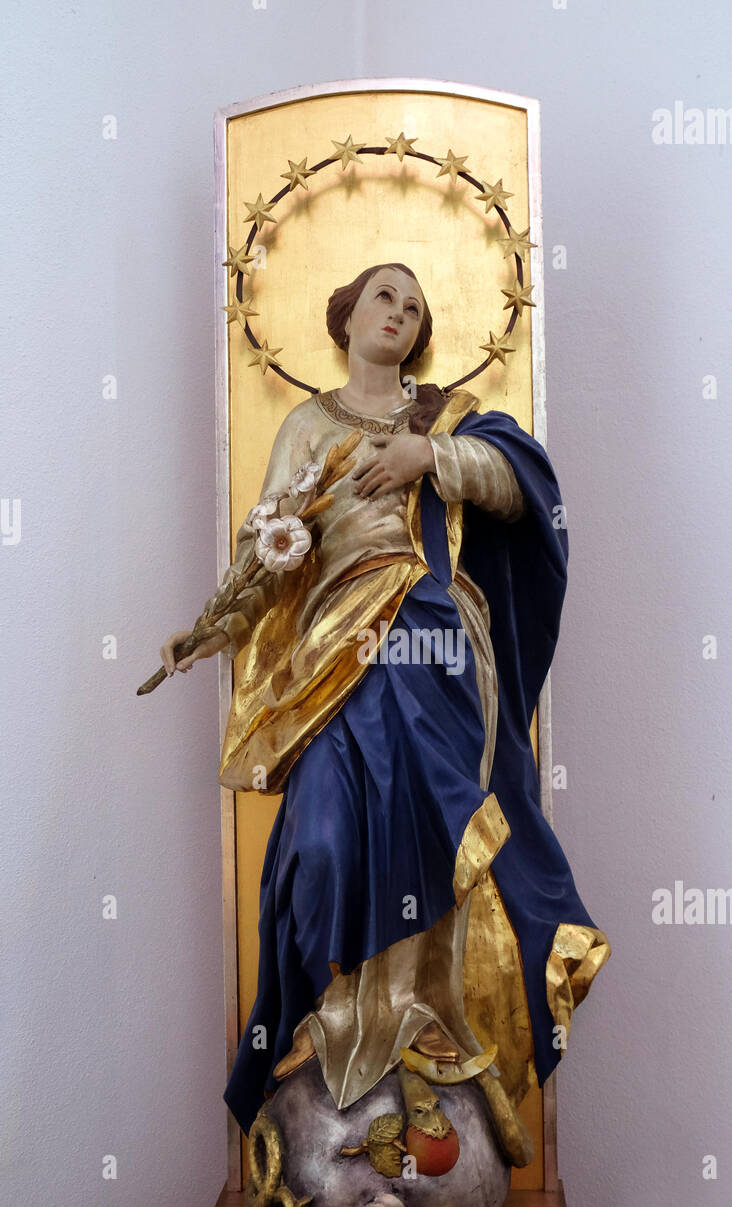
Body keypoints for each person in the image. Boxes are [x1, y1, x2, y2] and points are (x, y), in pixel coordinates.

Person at [161, 262, 609, 1138]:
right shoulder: (307, 425)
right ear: (348, 313)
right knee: (322, 843)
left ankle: (417, 1024)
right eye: (383, 296)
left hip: (429, 647)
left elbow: (524, 487)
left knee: (435, 840)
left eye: (414, 304)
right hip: (334, 655)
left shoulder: (444, 420)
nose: (397, 312)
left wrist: (428, 455)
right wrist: (210, 629)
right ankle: (332, 1022)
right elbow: (271, 553)